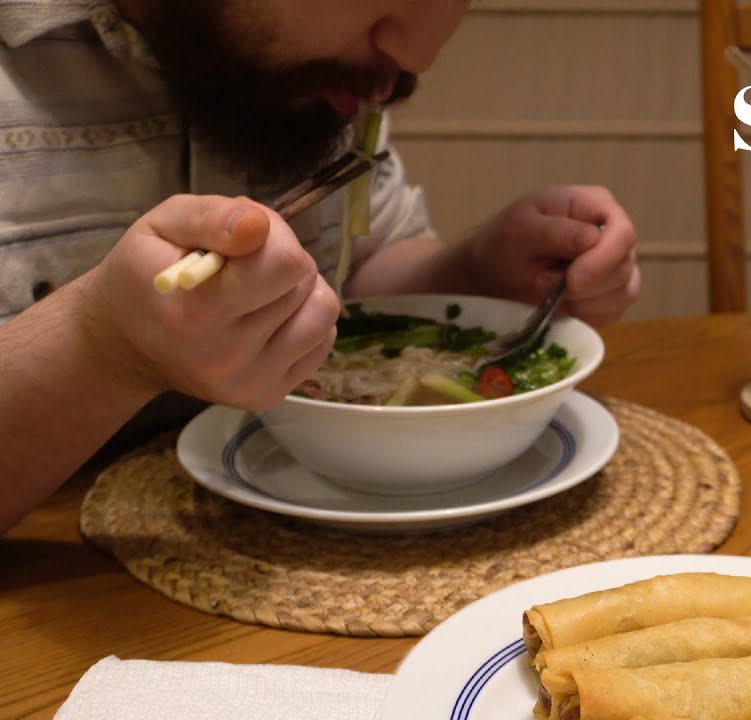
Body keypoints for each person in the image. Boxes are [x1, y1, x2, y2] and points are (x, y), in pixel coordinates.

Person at [0, 0, 641, 532]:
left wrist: (477, 277)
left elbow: (351, 271)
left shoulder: (322, 65)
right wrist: (102, 347)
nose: (419, 52)